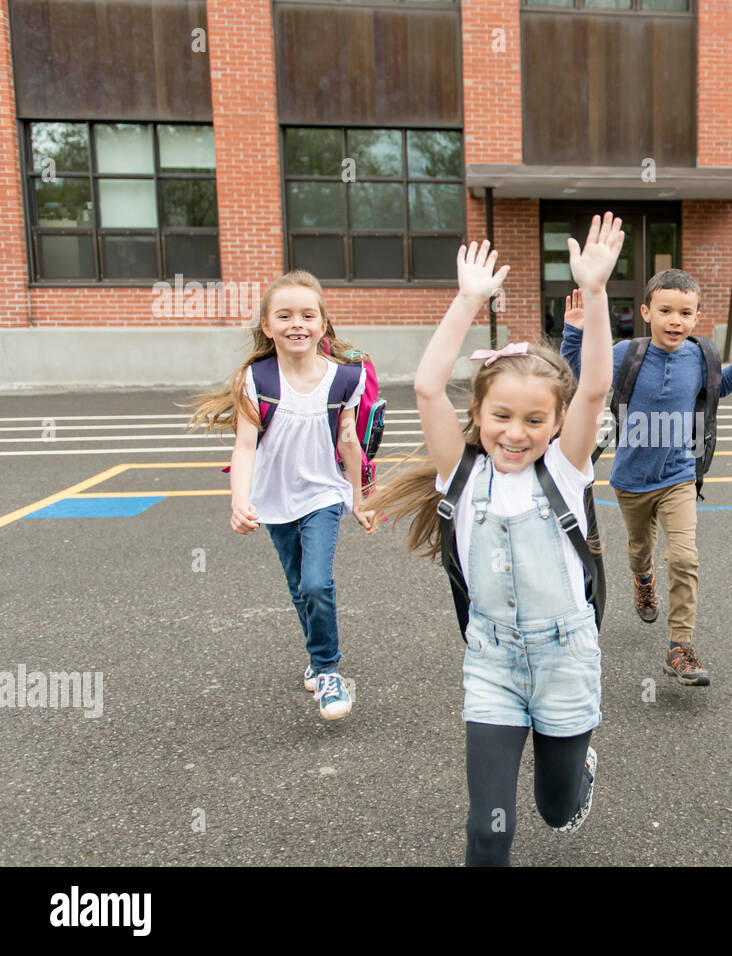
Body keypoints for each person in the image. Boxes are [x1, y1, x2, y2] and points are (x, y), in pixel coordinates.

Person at [369, 215, 623, 866]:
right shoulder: (462, 472)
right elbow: (427, 386)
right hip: (493, 661)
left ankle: (577, 773)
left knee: (555, 810)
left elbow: (595, 384)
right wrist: (466, 301)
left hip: (566, 658)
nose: (516, 432)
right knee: (488, 828)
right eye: (501, 416)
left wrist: (594, 291)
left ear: (559, 423)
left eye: (535, 419)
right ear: (478, 417)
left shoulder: (565, 471)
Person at [561, 270, 732, 685]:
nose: (676, 320)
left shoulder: (700, 356)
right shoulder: (625, 354)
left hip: (679, 474)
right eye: (666, 311)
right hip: (631, 480)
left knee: (684, 556)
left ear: (696, 317)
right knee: (641, 549)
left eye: (685, 312)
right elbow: (579, 376)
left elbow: (721, 386)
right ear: (646, 312)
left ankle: (680, 647)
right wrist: (573, 333)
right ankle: (643, 581)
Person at [188, 270, 377, 721]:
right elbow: (244, 446)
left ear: (323, 323)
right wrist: (239, 501)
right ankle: (317, 655)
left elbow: (349, 443)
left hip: (322, 494)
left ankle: (328, 671)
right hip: (273, 498)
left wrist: (359, 498)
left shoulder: (345, 380)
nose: (298, 323)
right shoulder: (255, 379)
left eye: (308, 314)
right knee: (298, 587)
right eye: (285, 315)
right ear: (267, 326)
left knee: (315, 582)